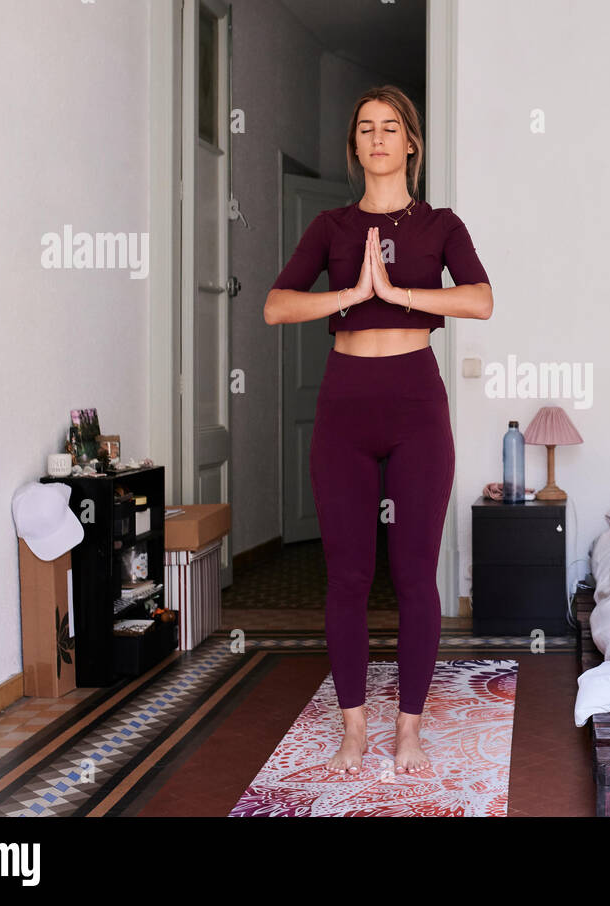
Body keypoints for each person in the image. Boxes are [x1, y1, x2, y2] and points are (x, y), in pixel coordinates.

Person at [263, 86, 492, 775]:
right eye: (365, 128)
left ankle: (409, 732)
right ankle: (355, 731)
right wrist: (350, 296)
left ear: (410, 142)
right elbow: (275, 306)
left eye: (390, 127)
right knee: (347, 576)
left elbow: (479, 298)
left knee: (415, 573)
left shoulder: (440, 224)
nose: (377, 138)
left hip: (416, 402)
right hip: (345, 407)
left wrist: (398, 295)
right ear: (356, 145)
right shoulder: (332, 226)